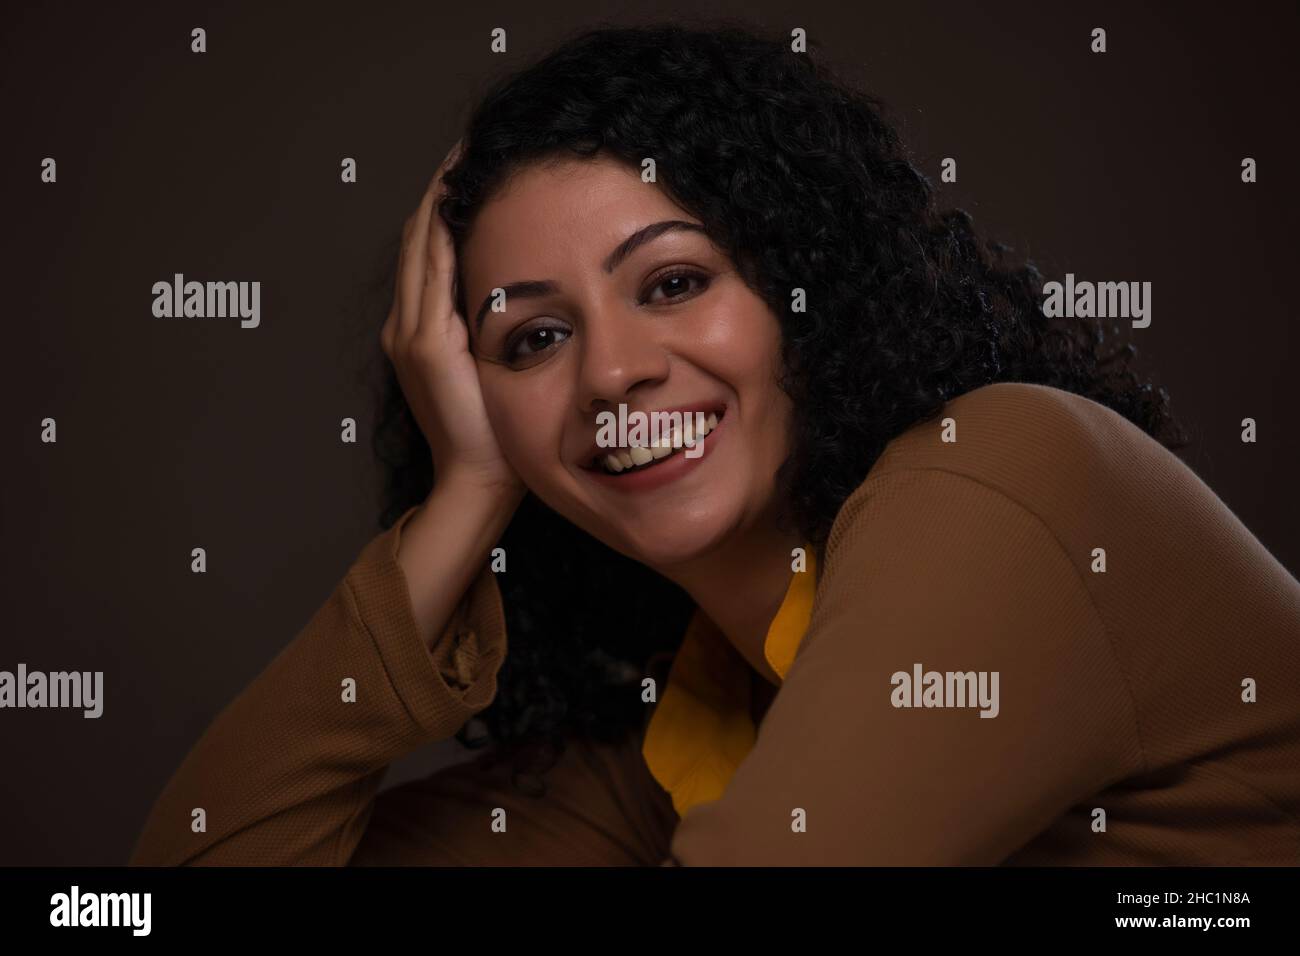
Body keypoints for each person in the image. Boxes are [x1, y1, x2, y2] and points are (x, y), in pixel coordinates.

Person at [130, 22, 1300, 867]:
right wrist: (466, 494)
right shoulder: (695, 728)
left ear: (809, 284)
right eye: (532, 338)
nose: (611, 371)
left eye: (674, 280)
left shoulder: (1003, 469)